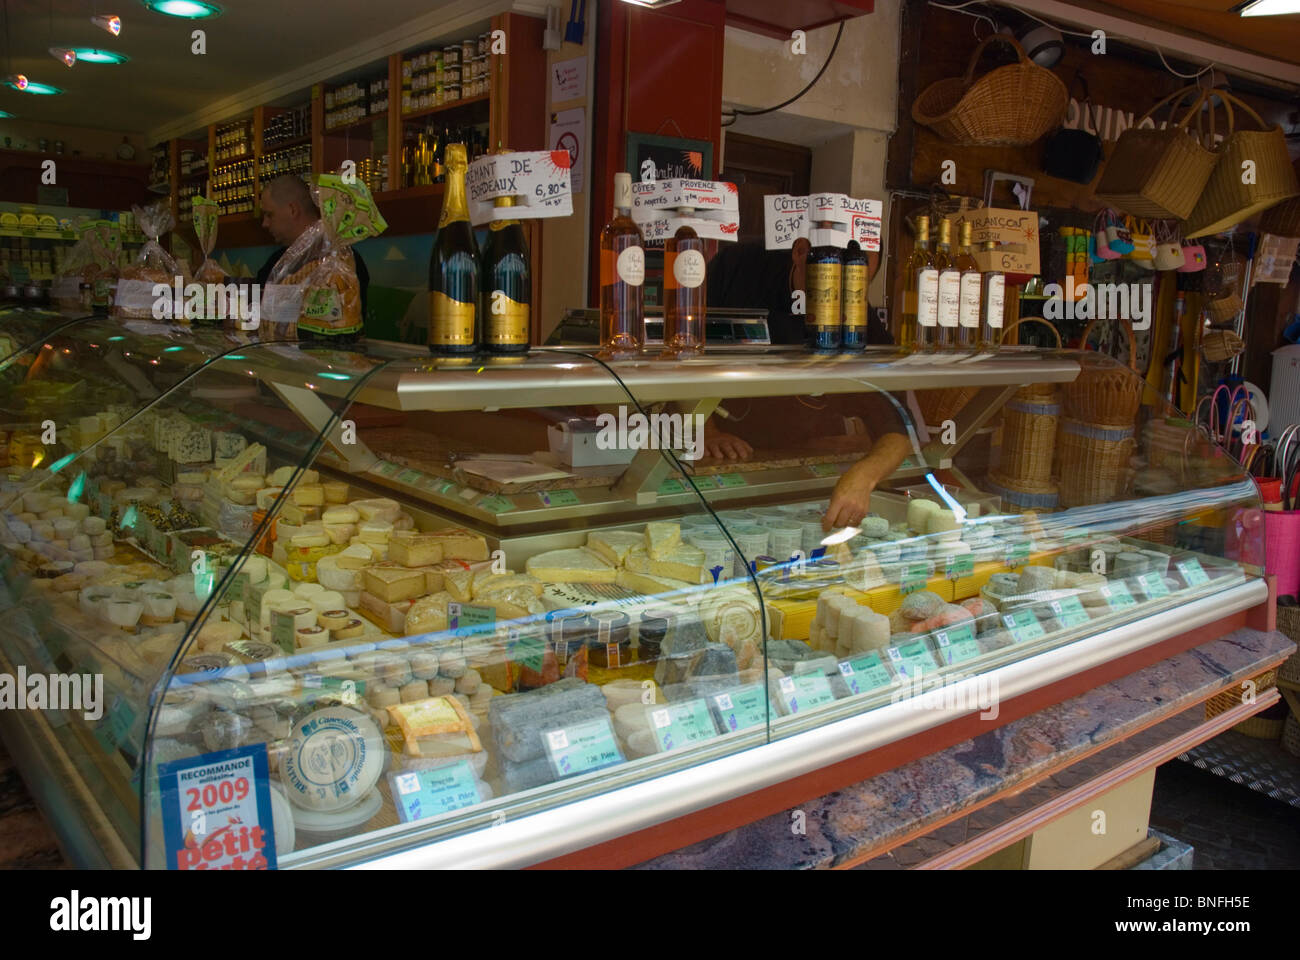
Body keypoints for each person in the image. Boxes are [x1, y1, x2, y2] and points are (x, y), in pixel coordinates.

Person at [705, 237, 914, 531]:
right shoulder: (738, 267)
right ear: (800, 253)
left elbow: (899, 425)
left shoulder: (858, 318)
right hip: (722, 463)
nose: (841, 301)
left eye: (856, 285)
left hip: (802, 465)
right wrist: (705, 429)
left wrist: (865, 476)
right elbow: (680, 359)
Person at [255, 174, 371, 319]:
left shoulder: (343, 262)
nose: (264, 224)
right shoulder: (276, 263)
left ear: (293, 209)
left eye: (269, 215)